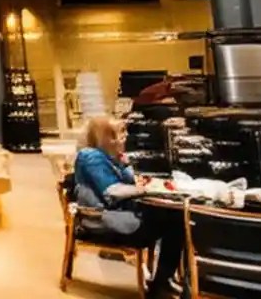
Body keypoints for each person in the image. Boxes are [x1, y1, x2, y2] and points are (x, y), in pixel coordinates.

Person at [73, 116, 188, 298]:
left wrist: (124, 164)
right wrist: (145, 189)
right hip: (102, 221)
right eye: (121, 132)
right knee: (176, 220)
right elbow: (112, 191)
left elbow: (127, 182)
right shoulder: (91, 157)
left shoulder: (108, 157)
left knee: (173, 217)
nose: (126, 136)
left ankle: (163, 281)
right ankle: (163, 283)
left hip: (114, 216)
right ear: (107, 137)